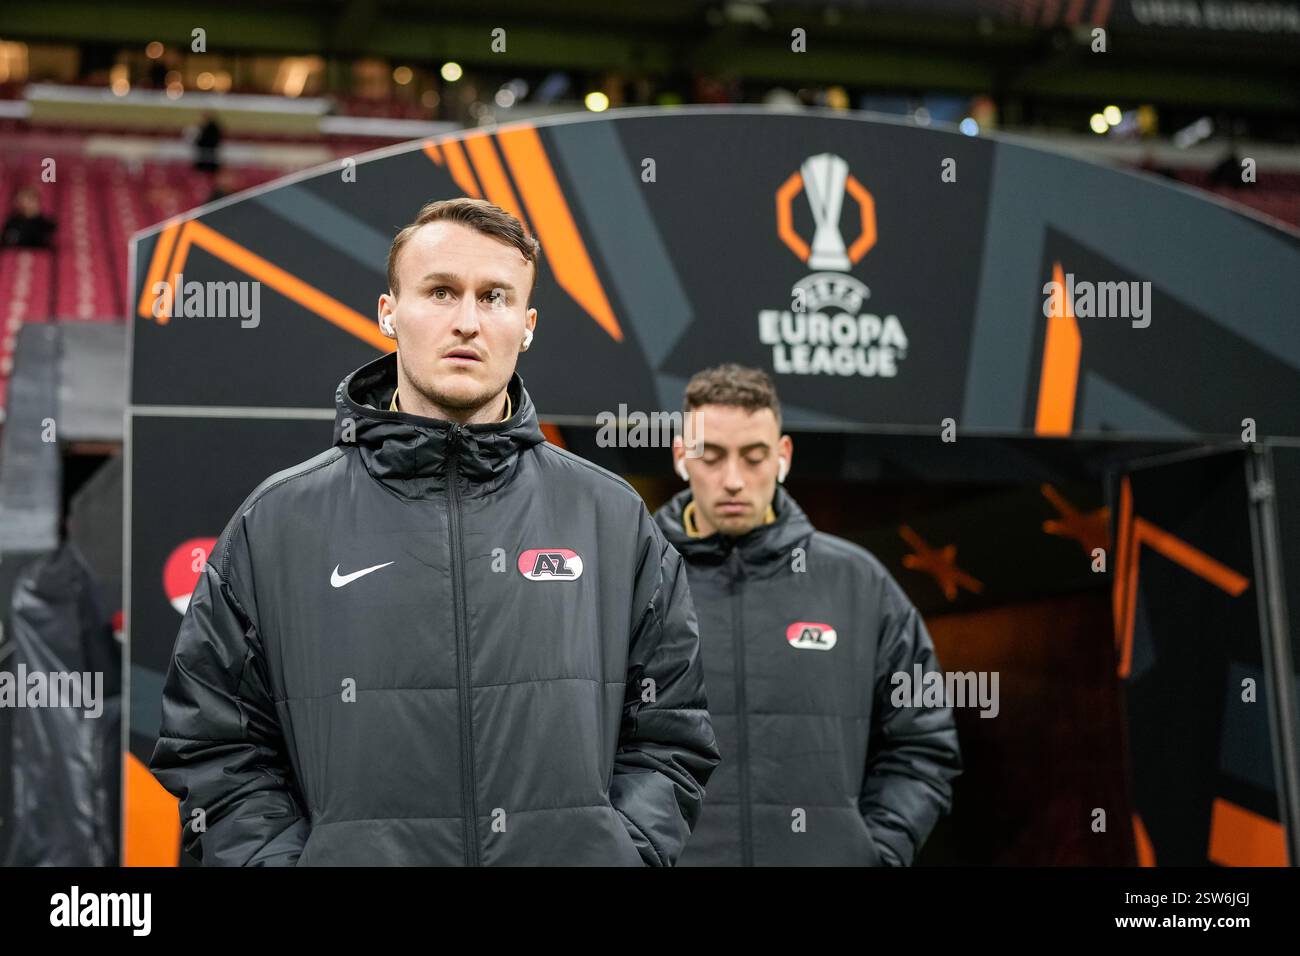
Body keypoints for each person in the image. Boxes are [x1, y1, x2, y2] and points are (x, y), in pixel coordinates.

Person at [149, 198, 719, 866]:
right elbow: (214, 747)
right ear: (389, 312)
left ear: (526, 325)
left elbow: (670, 733)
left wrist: (616, 851)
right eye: (441, 292)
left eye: (495, 297)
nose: (468, 322)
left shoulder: (612, 519)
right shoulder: (276, 522)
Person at [655, 364, 961, 865]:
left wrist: (873, 853)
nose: (733, 480)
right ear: (682, 456)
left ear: (783, 457)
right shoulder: (636, 577)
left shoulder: (858, 582)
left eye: (753, 457)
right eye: (711, 456)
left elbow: (923, 741)